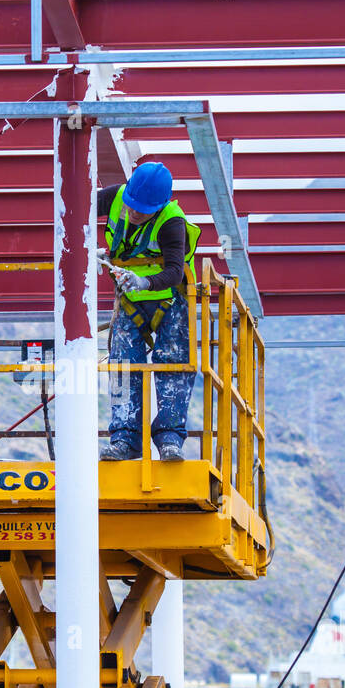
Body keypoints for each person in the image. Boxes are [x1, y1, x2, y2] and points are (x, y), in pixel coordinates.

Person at [98, 161, 200, 462]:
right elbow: (71, 208)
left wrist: (144, 281)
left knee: (174, 364)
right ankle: (125, 439)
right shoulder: (114, 197)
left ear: (159, 206)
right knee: (122, 364)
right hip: (130, 298)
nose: (133, 213)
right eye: (131, 206)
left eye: (142, 210)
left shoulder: (172, 222)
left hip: (170, 298)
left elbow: (174, 271)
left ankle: (170, 438)